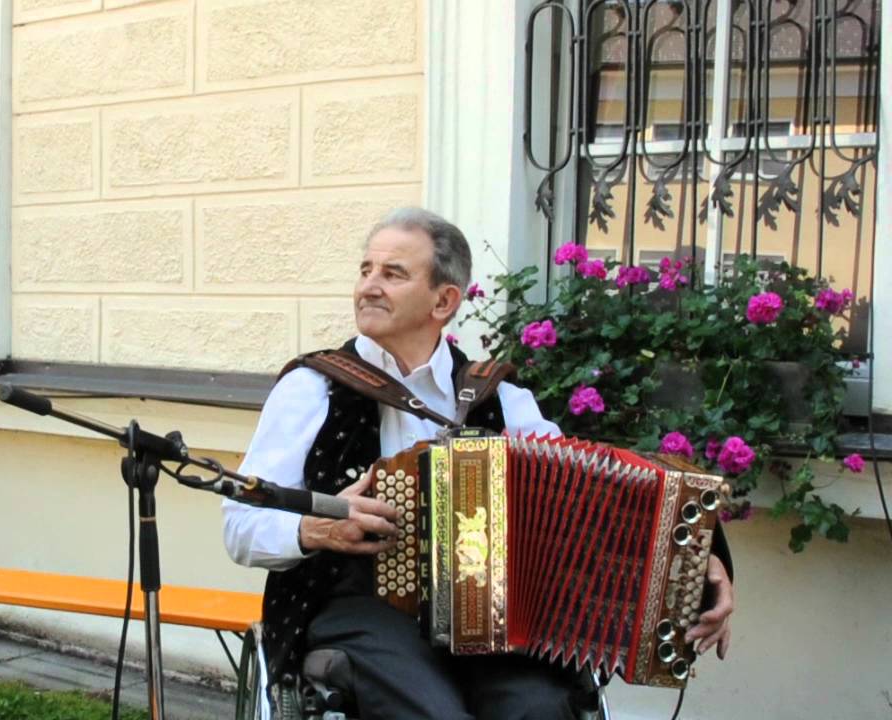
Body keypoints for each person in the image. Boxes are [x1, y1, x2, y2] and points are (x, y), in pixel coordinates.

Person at [223, 207, 735, 719]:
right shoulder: (313, 389)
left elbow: (600, 502)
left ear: (444, 301)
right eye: (366, 270)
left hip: (488, 616)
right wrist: (319, 530)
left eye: (393, 273)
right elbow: (241, 524)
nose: (369, 287)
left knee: (543, 708)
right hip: (357, 605)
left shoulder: (500, 398)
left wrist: (698, 559)